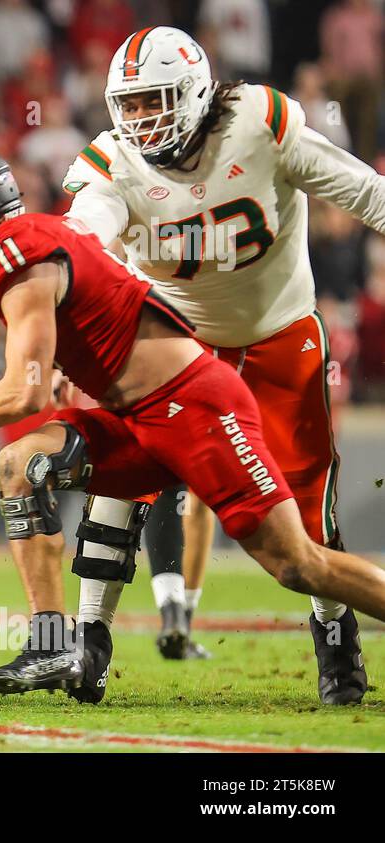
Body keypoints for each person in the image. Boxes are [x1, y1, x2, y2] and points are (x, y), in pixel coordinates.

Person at [0, 148, 385, 704]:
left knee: (298, 564)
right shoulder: (32, 239)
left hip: (193, 409)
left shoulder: (12, 251)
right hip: (139, 417)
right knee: (20, 466)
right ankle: (52, 644)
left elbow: (23, 393)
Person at [61, 26, 385, 701]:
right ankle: (90, 639)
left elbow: (362, 191)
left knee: (305, 502)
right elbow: (84, 239)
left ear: (193, 92)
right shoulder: (114, 164)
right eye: (130, 105)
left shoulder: (259, 126)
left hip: (279, 334)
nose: (141, 120)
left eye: (154, 102)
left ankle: (333, 630)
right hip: (179, 343)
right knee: (119, 470)